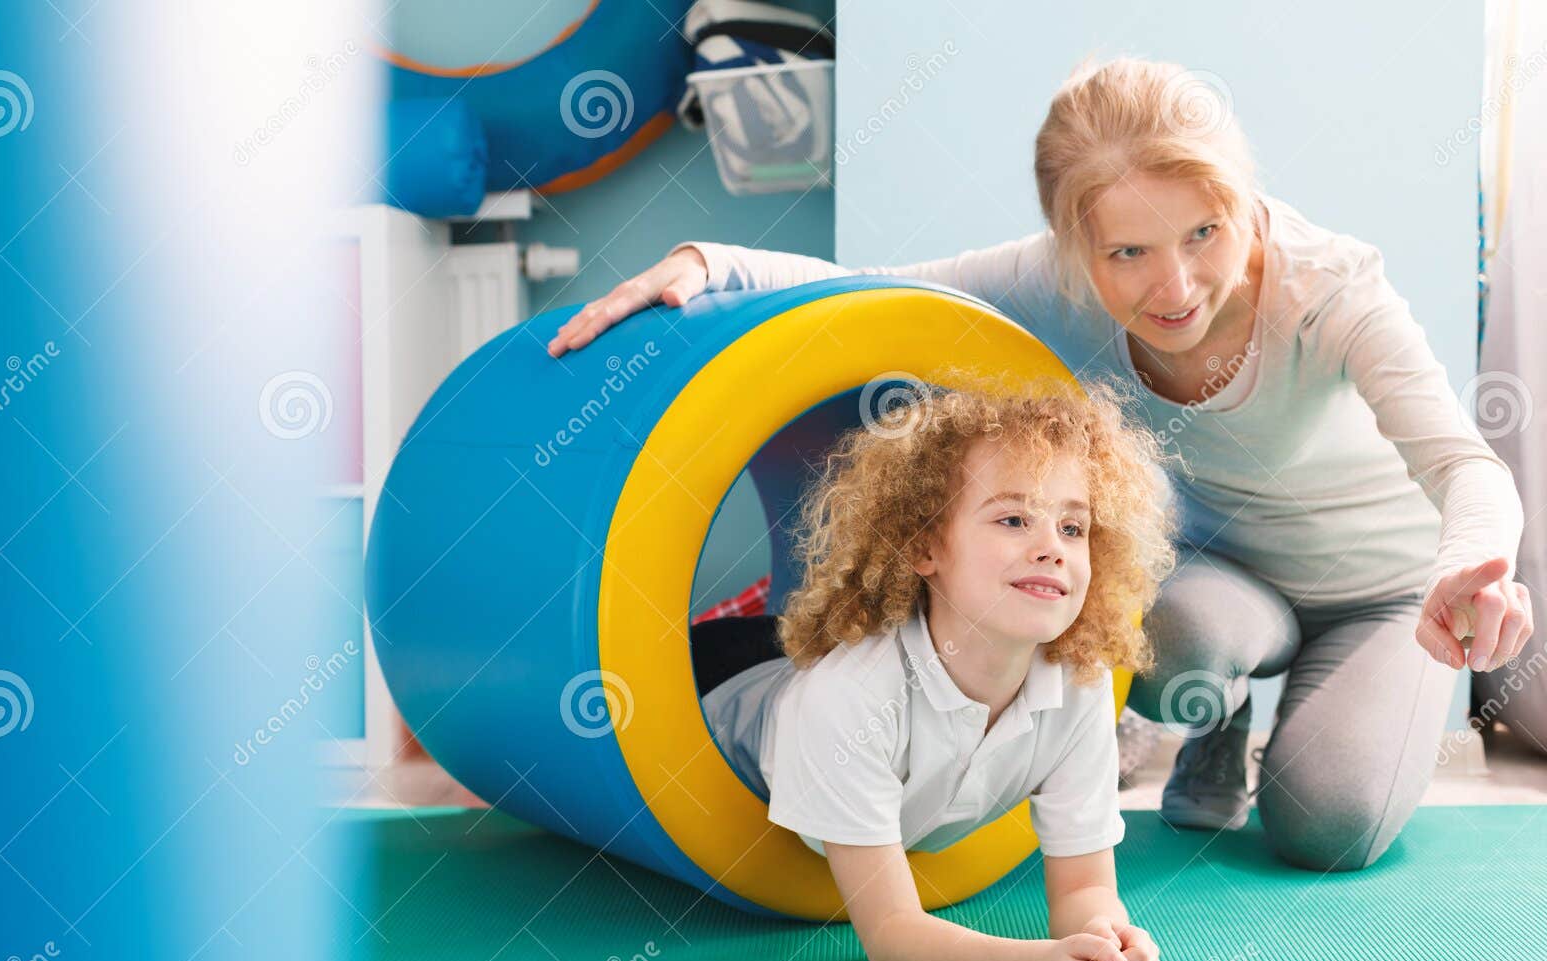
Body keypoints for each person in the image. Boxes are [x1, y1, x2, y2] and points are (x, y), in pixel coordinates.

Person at [550, 57, 1532, 872]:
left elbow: (1464, 464)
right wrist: (705, 261)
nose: (1174, 284)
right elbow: (876, 290)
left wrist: (1473, 563)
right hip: (1219, 581)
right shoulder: (1051, 277)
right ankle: (1213, 715)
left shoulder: (1329, 291)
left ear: (1242, 202)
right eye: (1128, 253)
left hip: (1380, 588)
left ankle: (1240, 723)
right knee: (1170, 636)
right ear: (1078, 244)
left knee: (1329, 827)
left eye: (1203, 233)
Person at [698, 382, 1173, 961]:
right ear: (925, 547)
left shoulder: (1079, 681)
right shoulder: (849, 699)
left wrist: (1109, 944)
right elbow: (893, 933)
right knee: (736, 639)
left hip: (796, 676)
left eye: (1072, 525)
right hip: (728, 692)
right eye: (1013, 519)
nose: (1052, 545)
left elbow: (1085, 889)